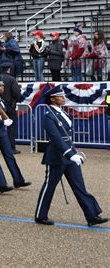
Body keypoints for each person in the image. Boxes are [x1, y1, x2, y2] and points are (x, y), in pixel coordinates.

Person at [35, 86, 108, 226]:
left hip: (70, 153)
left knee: (79, 185)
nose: (63, 98)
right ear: (52, 99)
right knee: (49, 186)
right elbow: (56, 138)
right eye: (60, 96)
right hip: (57, 156)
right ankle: (40, 215)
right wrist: (70, 154)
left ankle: (91, 215)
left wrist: (74, 153)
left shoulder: (63, 113)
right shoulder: (48, 116)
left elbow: (67, 136)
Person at [0, 76, 32, 188]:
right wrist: (0, 121)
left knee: (9, 156)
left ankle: (18, 180)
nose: (2, 87)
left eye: (2, 85)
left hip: (2, 132)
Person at [0, 62, 24, 154]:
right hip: (9, 106)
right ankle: (11, 147)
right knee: (11, 127)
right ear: (9, 69)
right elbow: (16, 93)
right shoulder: (11, 79)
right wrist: (19, 99)